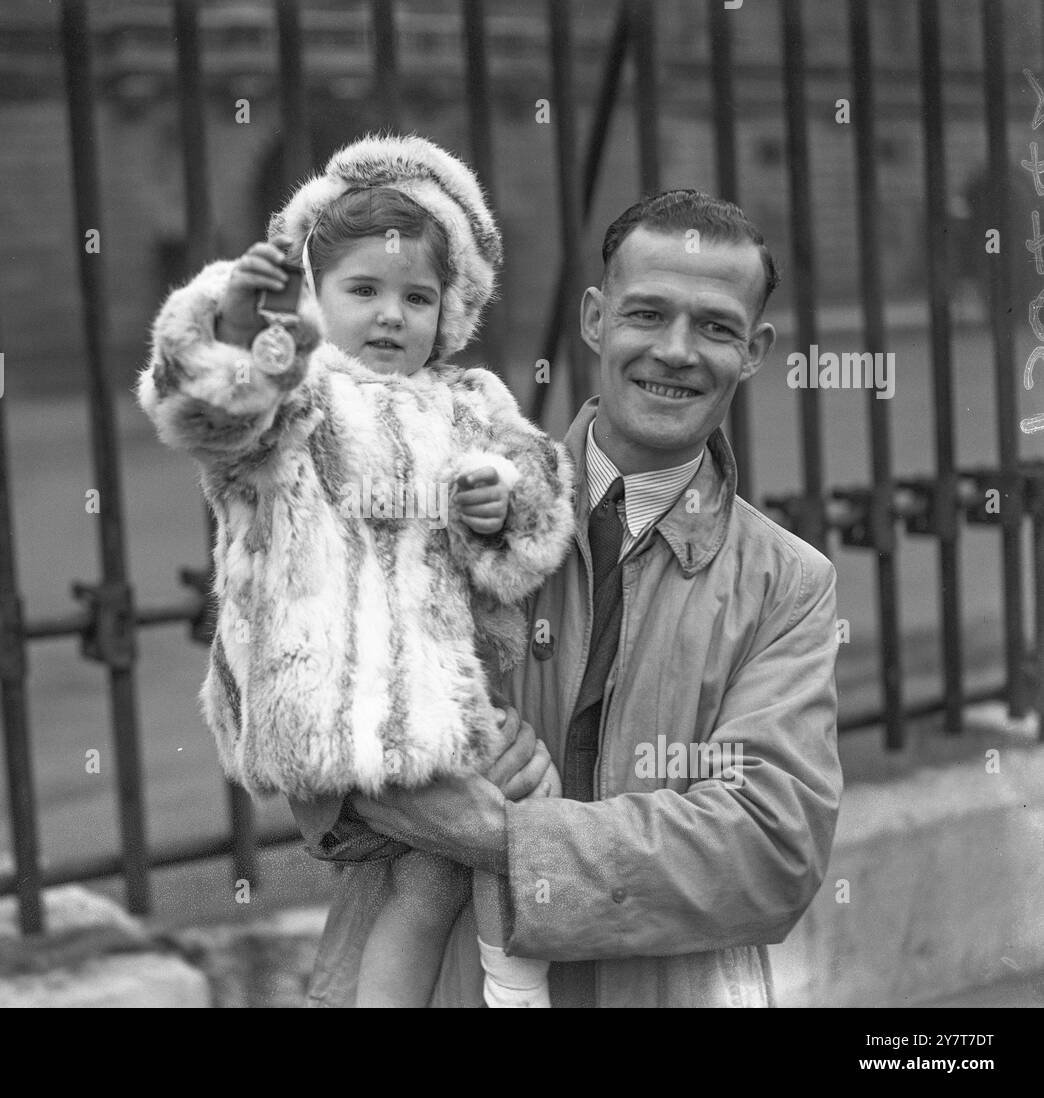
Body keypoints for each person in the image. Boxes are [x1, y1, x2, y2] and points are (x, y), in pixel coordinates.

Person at [294, 189, 844, 1008]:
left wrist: (498, 834)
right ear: (594, 318)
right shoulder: (455, 501)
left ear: (756, 350)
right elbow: (311, 722)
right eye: (646, 314)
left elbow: (768, 855)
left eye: (717, 327)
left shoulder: (788, 584)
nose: (677, 351)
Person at [136, 135, 576, 1007]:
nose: (390, 316)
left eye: (417, 297)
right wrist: (236, 325)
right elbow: (213, 412)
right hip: (327, 704)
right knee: (473, 847)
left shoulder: (467, 399)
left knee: (445, 873)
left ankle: (505, 987)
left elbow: (533, 491)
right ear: (314, 296)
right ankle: (514, 989)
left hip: (440, 701)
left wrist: (500, 506)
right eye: (364, 291)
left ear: (450, 310)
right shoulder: (300, 398)